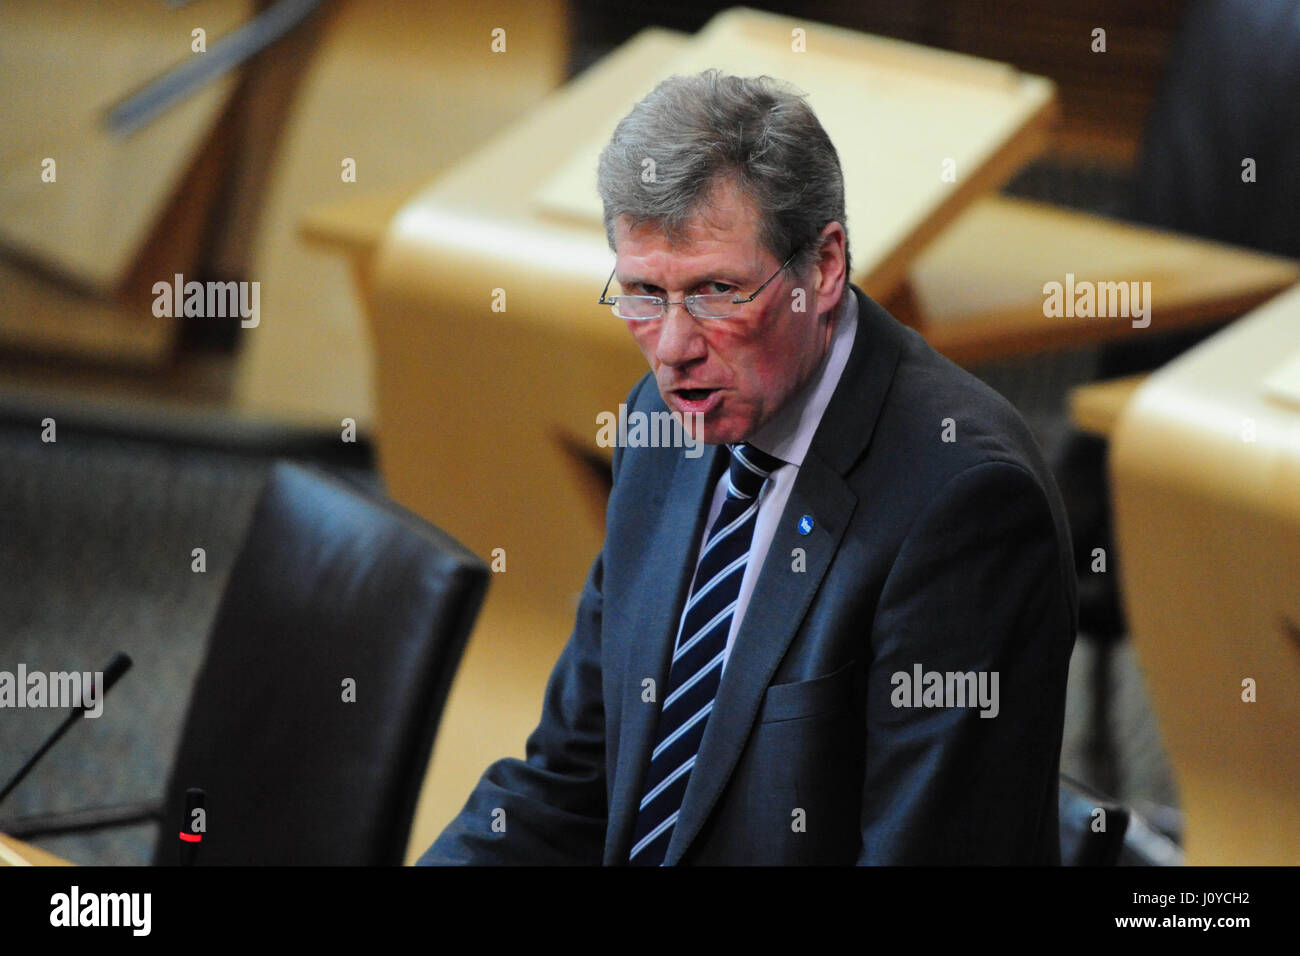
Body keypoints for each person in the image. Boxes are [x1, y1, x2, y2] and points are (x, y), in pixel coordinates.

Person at [419, 69, 1076, 865]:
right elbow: (567, 784)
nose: (672, 349)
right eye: (642, 295)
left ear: (824, 267)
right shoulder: (662, 424)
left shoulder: (963, 502)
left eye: (717, 292)